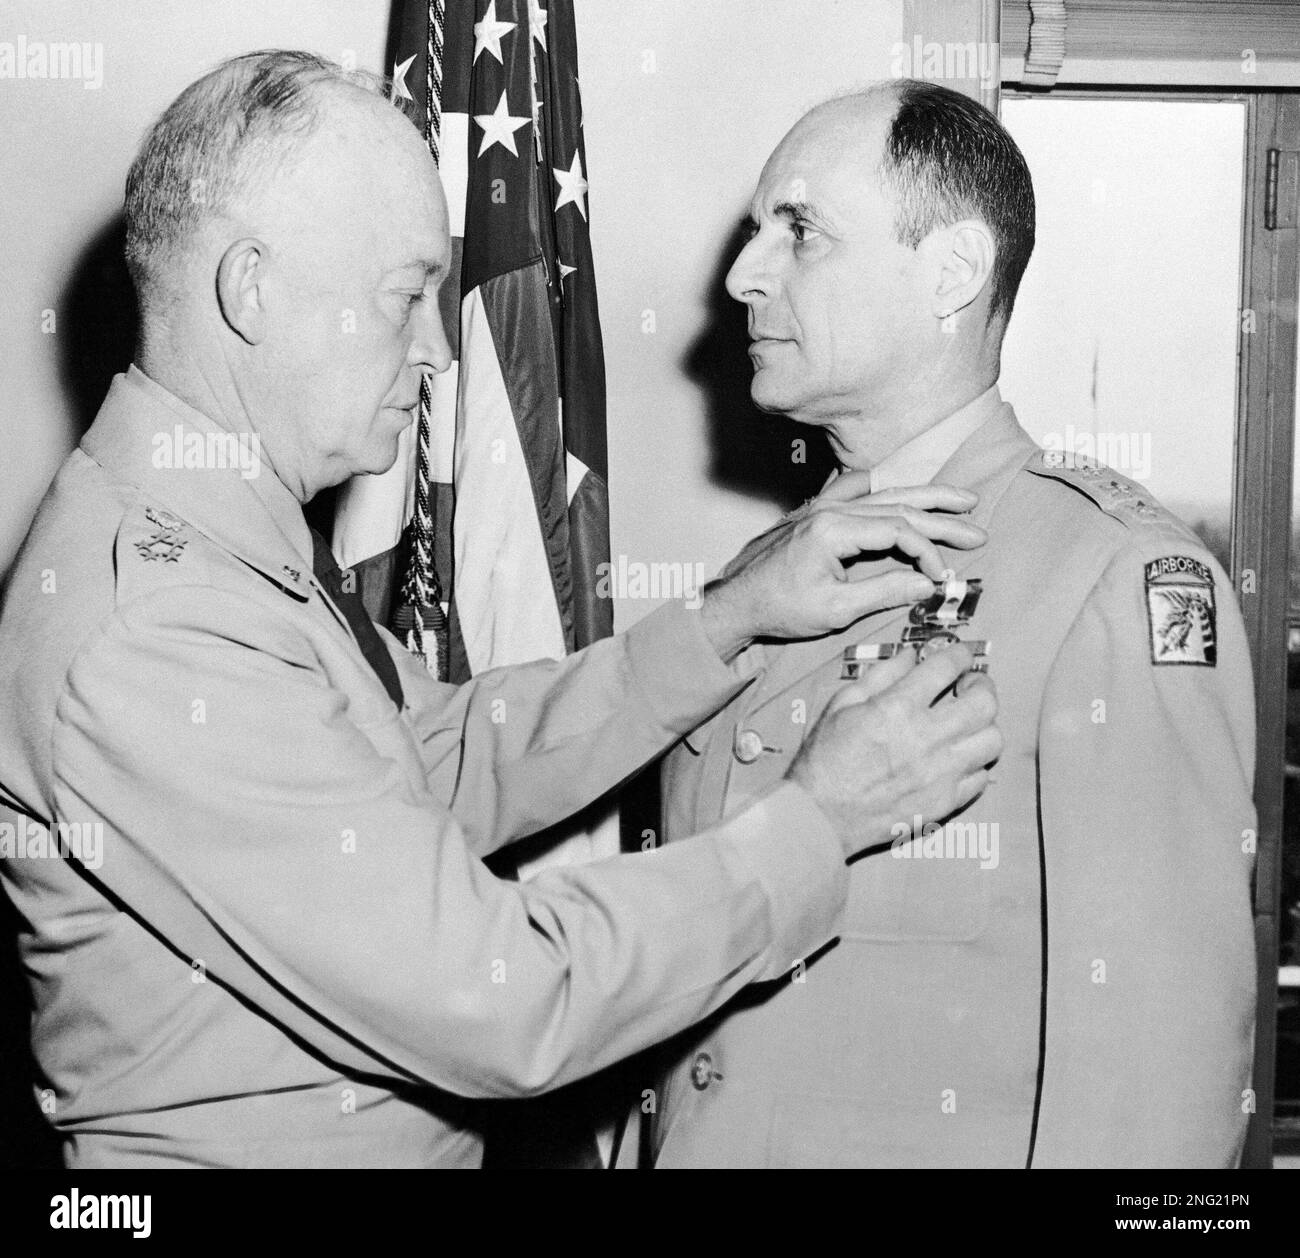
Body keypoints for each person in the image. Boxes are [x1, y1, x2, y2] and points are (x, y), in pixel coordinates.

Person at [0, 53, 1000, 1169]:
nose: (434, 354)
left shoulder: (226, 537)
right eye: (401, 298)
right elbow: (502, 999)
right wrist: (820, 821)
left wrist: (723, 622)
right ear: (253, 293)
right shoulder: (160, 623)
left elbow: (434, 762)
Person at [647, 80, 1257, 1168]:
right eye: (753, 234)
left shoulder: (1114, 579)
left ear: (953, 273)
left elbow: (1153, 1096)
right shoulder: (765, 576)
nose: (743, 275)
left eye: (799, 230)